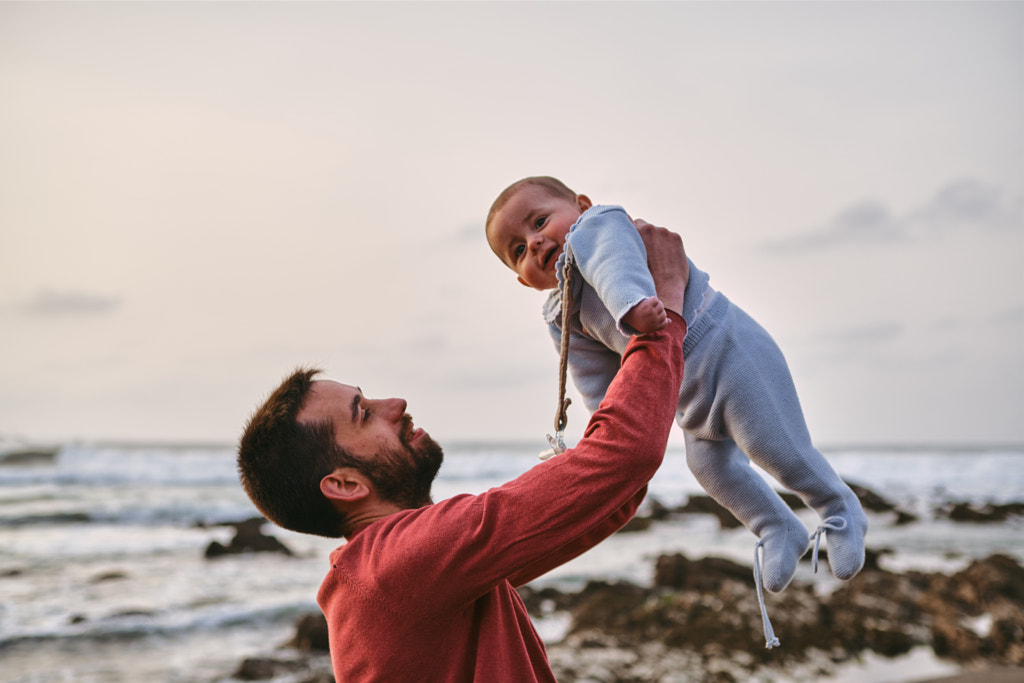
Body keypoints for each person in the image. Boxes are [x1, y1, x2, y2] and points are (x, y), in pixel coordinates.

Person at [237, 223, 691, 681]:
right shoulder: (398, 565)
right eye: (363, 414)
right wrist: (667, 310)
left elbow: (609, 494)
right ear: (344, 484)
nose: (395, 405)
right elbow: (622, 458)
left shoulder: (398, 572)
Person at [485, 176, 868, 621]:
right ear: (521, 281)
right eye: (517, 250)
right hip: (687, 397)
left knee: (775, 447)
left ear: (582, 205)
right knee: (709, 467)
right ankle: (777, 526)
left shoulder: (597, 226)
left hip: (728, 349)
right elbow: (594, 376)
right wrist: (604, 426)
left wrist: (631, 305)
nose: (533, 243)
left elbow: (616, 265)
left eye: (539, 221)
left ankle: (839, 508)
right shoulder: (560, 313)